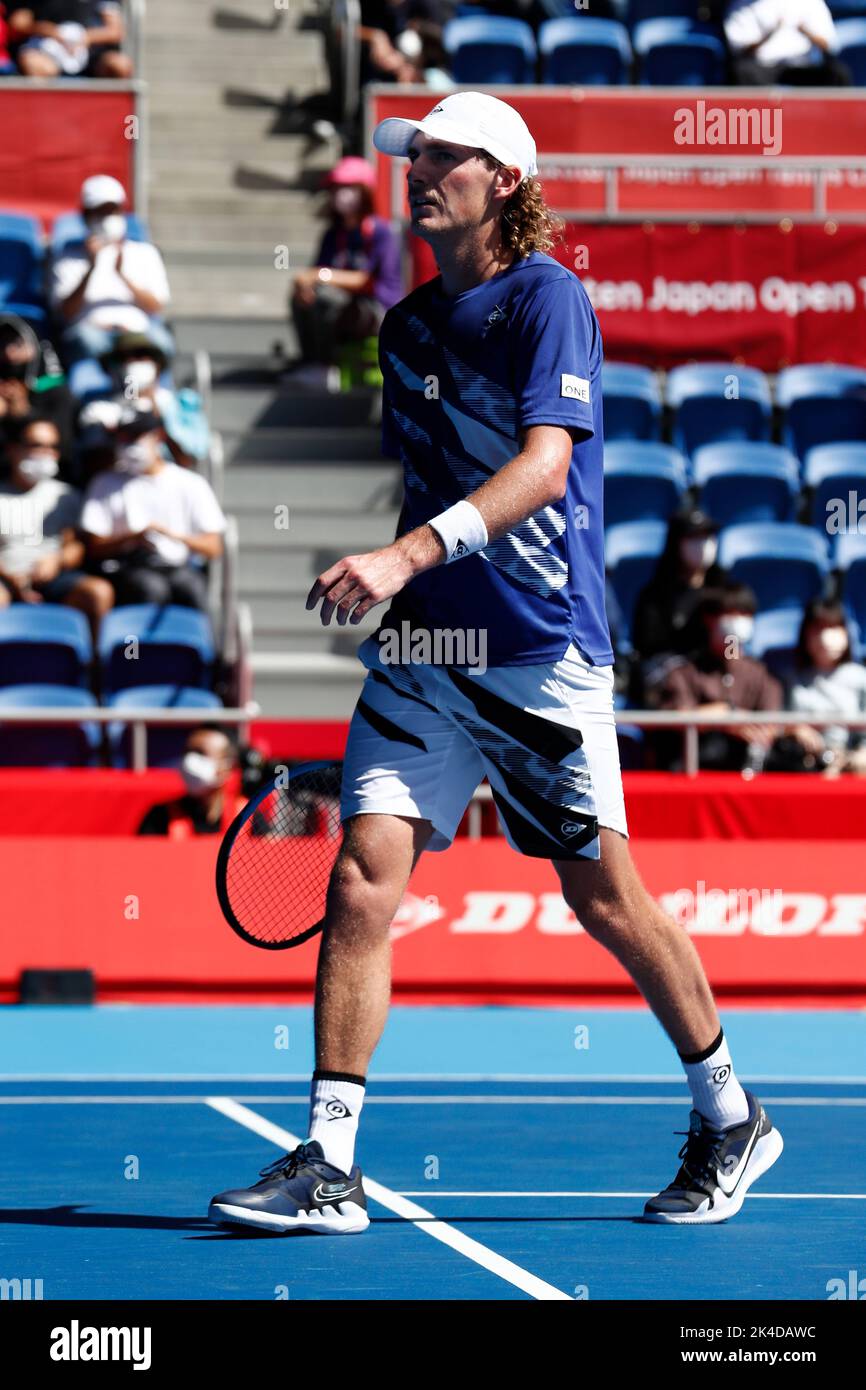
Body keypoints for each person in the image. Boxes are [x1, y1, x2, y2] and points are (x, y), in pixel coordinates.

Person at [209, 91, 783, 1236]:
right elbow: (431, 483)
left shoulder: (547, 299)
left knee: (601, 894)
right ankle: (328, 1159)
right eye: (409, 155)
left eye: (441, 156)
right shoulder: (405, 325)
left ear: (503, 180)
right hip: (425, 655)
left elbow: (544, 467)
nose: (415, 171)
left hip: (534, 654)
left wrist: (403, 554)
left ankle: (729, 1114)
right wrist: (398, 585)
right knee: (363, 875)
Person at [80, 407, 225, 610]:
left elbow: (213, 547)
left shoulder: (191, 483)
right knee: (151, 588)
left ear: (158, 436)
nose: (128, 445)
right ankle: (140, 643)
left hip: (175, 566)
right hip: (124, 568)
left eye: (135, 438)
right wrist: (133, 539)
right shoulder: (104, 482)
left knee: (193, 589)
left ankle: (199, 642)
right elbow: (93, 548)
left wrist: (171, 535)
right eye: (123, 439)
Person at [288, 156, 402, 387]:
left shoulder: (381, 232)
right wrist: (304, 283)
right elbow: (318, 271)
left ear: (364, 191)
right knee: (303, 297)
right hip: (343, 305)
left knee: (326, 298)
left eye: (348, 188)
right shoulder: (333, 234)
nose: (341, 194)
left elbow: (365, 280)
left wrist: (319, 276)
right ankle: (311, 362)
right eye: (337, 188)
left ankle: (325, 367)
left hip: (377, 310)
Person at [646, 582, 783, 772]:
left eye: (744, 614)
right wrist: (725, 716)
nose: (738, 621)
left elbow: (772, 723)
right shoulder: (684, 672)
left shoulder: (762, 674)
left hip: (746, 772)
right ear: (709, 619)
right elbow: (675, 718)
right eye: (730, 614)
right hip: (694, 768)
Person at [0, 414, 113, 638]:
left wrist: (57, 560)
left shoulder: (66, 496)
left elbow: (76, 546)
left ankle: (92, 668)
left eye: (52, 447)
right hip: (5, 578)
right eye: (37, 445)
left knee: (97, 593)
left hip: (54, 578)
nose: (46, 453)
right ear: (13, 449)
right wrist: (12, 578)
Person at [50, 175, 172, 367]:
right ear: (85, 215)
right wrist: (91, 268)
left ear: (122, 212)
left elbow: (156, 305)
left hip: (137, 333)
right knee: (87, 340)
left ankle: (144, 391)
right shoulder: (68, 256)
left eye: (112, 211)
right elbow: (65, 312)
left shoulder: (146, 252)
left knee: (160, 343)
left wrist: (122, 274)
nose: (107, 218)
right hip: (93, 334)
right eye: (100, 212)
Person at [780, 600, 866, 775]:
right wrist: (796, 729)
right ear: (806, 635)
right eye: (818, 629)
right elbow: (777, 723)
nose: (826, 638)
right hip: (803, 765)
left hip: (851, 767)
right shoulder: (790, 678)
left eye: (834, 628)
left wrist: (858, 755)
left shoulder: (860, 678)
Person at [632, 508, 727, 666]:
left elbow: (733, 646)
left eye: (707, 536)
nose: (703, 545)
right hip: (673, 679)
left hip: (718, 679)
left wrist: (731, 660)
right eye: (694, 537)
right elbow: (647, 650)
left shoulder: (725, 592)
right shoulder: (654, 597)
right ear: (676, 543)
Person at [137, 726, 245, 837]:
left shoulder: (246, 816)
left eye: (201, 753)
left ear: (227, 767)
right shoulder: (159, 817)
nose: (189, 760)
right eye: (187, 751)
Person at [0, 316, 74, 468]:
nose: (9, 352)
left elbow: (64, 449)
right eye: (1, 344)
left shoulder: (56, 391)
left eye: (17, 344)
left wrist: (24, 415)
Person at [724, 0, 851, 86]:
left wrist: (806, 31)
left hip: (804, 66)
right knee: (742, 71)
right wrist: (768, 35)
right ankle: (755, 123)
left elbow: (829, 45)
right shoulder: (743, 4)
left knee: (838, 73)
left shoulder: (811, 3)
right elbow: (739, 49)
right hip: (763, 67)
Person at [8, 0, 132, 78]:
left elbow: (115, 31)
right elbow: (19, 22)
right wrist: (49, 31)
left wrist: (84, 38)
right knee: (34, 64)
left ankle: (105, 115)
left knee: (120, 65)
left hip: (92, 56)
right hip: (47, 51)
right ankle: (44, 113)